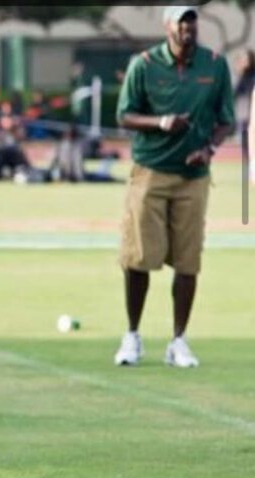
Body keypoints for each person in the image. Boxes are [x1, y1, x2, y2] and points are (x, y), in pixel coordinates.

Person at [113, 6, 234, 368]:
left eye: (191, 21)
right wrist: (161, 122)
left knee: (188, 259)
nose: (187, 28)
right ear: (167, 26)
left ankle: (178, 340)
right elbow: (124, 115)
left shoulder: (215, 65)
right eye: (180, 21)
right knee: (138, 257)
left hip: (193, 177)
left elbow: (225, 119)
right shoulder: (145, 64)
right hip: (150, 170)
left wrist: (209, 149)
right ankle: (132, 335)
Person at [234, 49, 255, 140]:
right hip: (244, 116)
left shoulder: (250, 77)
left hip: (248, 116)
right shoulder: (243, 77)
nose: (240, 62)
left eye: (244, 60)